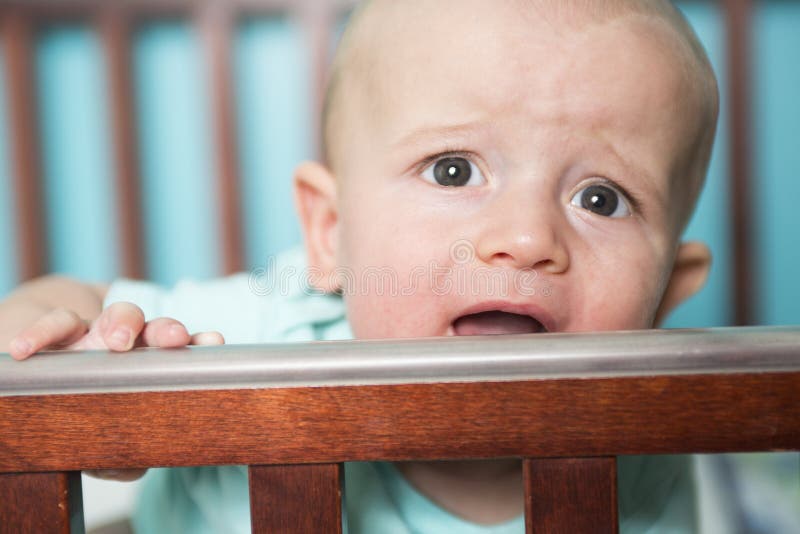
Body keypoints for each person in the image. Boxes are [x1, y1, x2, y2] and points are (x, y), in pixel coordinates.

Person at [0, 0, 719, 531]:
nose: (527, 238)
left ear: (667, 293)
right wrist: (77, 359)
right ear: (330, 233)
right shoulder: (256, 339)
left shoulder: (668, 431)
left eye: (600, 198)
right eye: (452, 170)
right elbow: (59, 299)